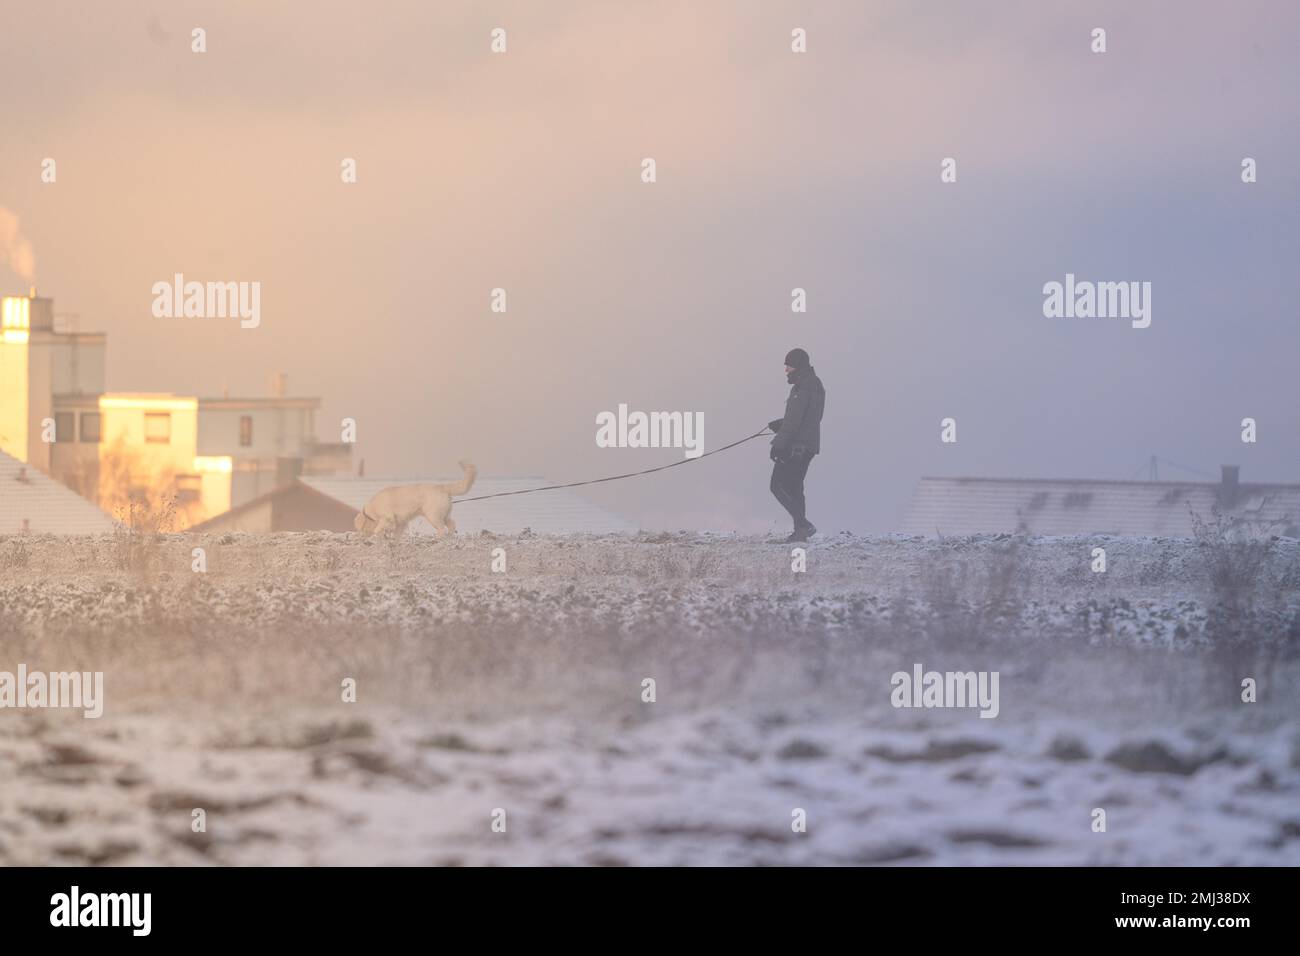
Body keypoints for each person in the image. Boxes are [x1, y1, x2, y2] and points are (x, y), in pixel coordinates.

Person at [767, 348, 825, 542]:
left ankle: (803, 525)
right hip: (808, 445)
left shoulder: (803, 386)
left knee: (778, 485)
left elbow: (794, 422)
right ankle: (800, 531)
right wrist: (781, 424)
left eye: (789, 366)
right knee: (795, 487)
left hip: (796, 446)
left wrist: (779, 445)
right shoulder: (814, 384)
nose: (786, 370)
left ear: (798, 365)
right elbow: (805, 418)